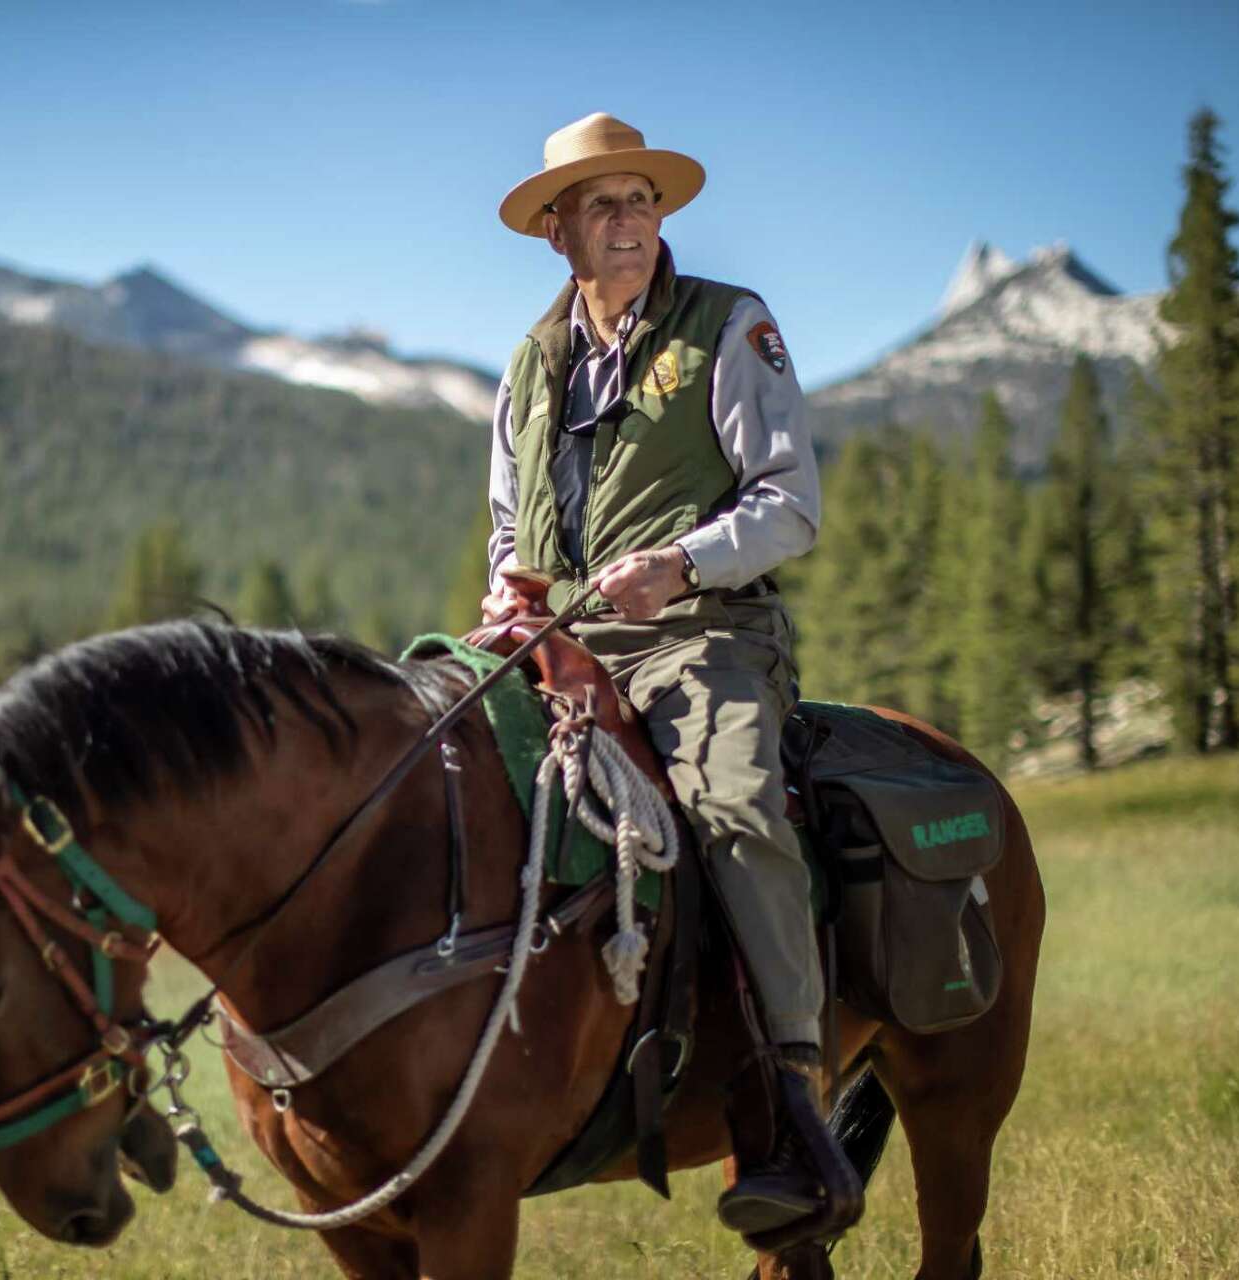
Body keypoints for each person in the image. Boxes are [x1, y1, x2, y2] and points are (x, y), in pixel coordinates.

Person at [481, 111, 850, 1240]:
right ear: (560, 234)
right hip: (563, 648)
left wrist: (682, 564)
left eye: (642, 200)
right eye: (604, 205)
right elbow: (507, 523)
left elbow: (792, 504)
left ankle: (795, 1103)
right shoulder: (530, 365)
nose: (630, 221)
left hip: (707, 636)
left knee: (737, 805)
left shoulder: (730, 326)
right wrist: (508, 592)